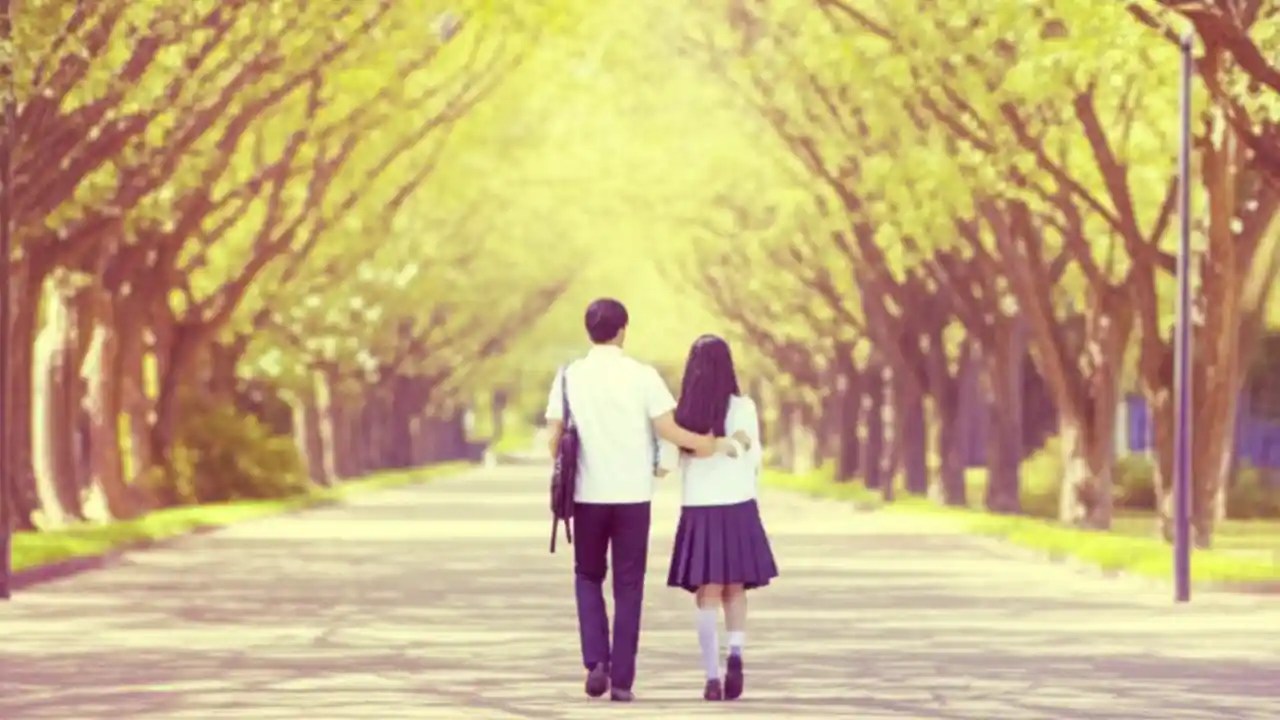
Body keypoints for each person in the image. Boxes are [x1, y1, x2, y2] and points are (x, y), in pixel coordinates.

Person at [545, 299, 736, 703]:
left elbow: (553, 439)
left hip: (587, 495)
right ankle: (623, 680)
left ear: (589, 332)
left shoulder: (569, 377)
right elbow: (668, 429)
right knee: (629, 586)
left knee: (587, 576)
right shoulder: (642, 376)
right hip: (633, 496)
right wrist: (709, 444)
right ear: (622, 331)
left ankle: (596, 661)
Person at [658, 334, 779, 702]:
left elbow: (666, 463)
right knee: (735, 588)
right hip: (739, 504)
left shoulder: (682, 413)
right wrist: (732, 446)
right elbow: (751, 454)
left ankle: (712, 675)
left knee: (708, 591)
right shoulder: (744, 407)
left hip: (700, 508)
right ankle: (737, 654)